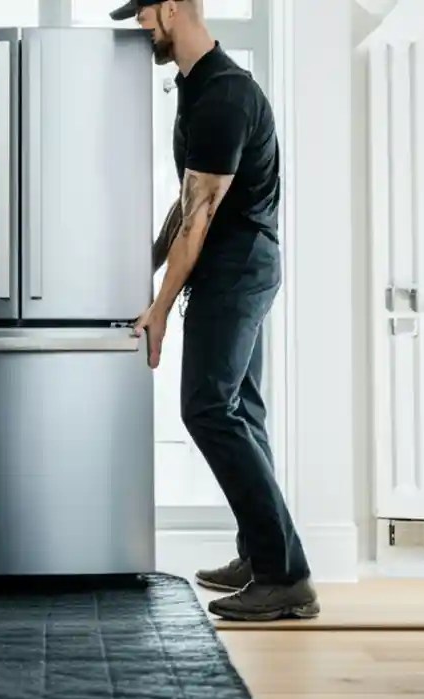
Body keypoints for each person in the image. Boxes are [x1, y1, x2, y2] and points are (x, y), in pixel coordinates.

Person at [111, 0, 319, 621]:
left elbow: (200, 216)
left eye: (142, 15)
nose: (139, 27)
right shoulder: (198, 86)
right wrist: (140, 270)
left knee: (206, 408)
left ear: (171, 9)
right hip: (237, 265)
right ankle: (261, 555)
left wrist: (159, 309)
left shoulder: (224, 95)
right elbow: (188, 200)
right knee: (241, 412)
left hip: (236, 268)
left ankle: (286, 577)